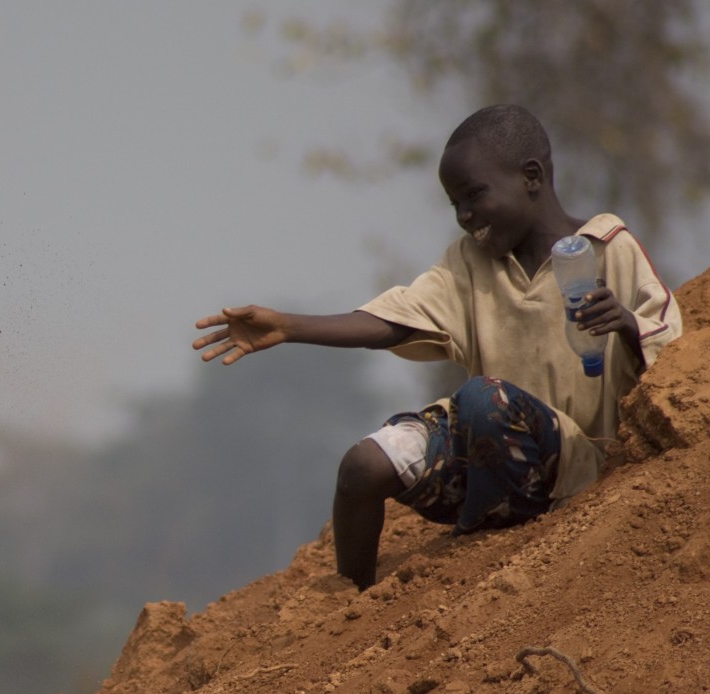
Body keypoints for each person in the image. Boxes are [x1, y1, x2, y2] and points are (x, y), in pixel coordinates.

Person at [192, 104, 682, 591]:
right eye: (455, 204)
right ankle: (350, 599)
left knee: (482, 398)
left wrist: (624, 322)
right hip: (487, 444)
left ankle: (483, 539)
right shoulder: (469, 262)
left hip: (577, 465)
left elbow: (674, 355)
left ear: (531, 177)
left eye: (474, 195)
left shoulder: (608, 247)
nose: (465, 216)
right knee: (363, 466)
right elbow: (396, 320)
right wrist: (287, 327)